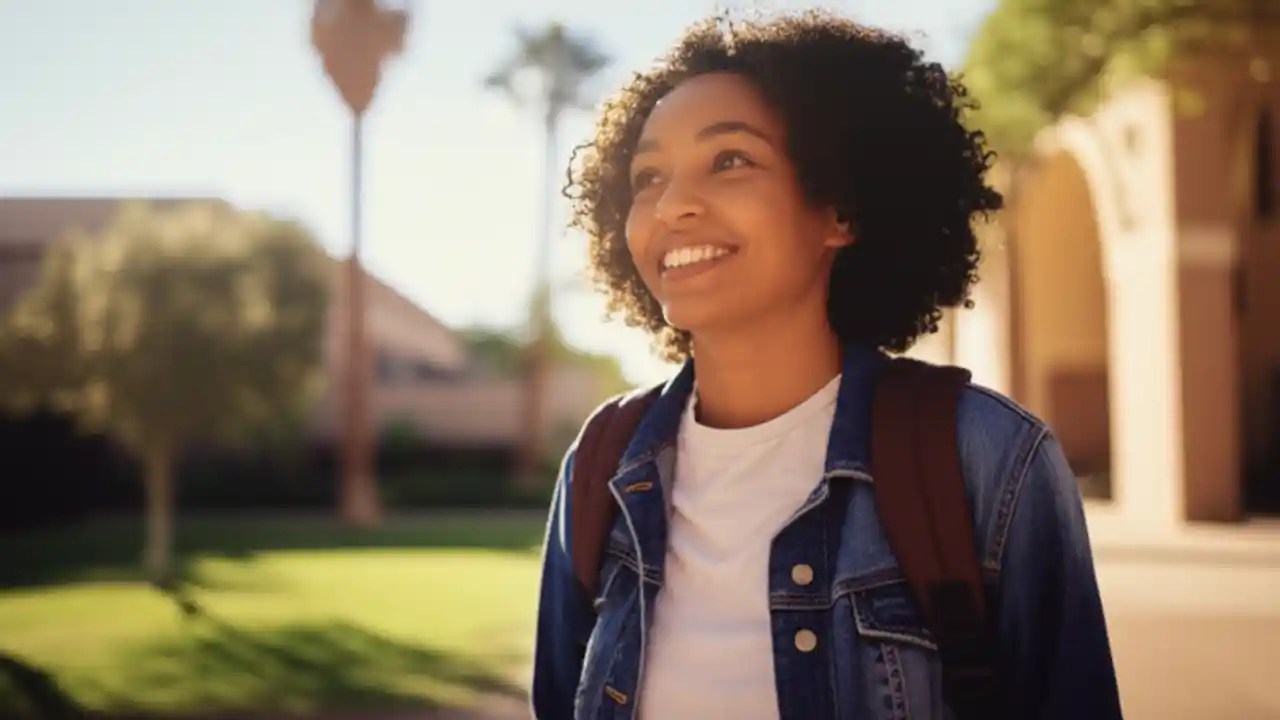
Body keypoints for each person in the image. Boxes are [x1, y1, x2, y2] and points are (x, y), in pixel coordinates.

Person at [531, 10, 1122, 720]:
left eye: (730, 160)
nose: (673, 205)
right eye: (648, 176)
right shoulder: (602, 465)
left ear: (839, 209)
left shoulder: (989, 459)